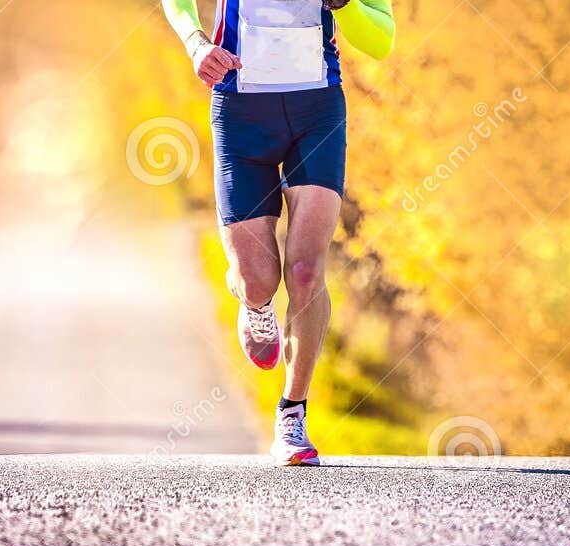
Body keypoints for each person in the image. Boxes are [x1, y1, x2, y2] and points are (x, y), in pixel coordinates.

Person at [160, 0, 394, 465]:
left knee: (306, 270)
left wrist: (344, 6)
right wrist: (195, 45)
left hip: (318, 109)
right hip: (240, 110)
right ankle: (252, 299)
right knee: (257, 278)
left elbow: (381, 40)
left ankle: (292, 413)